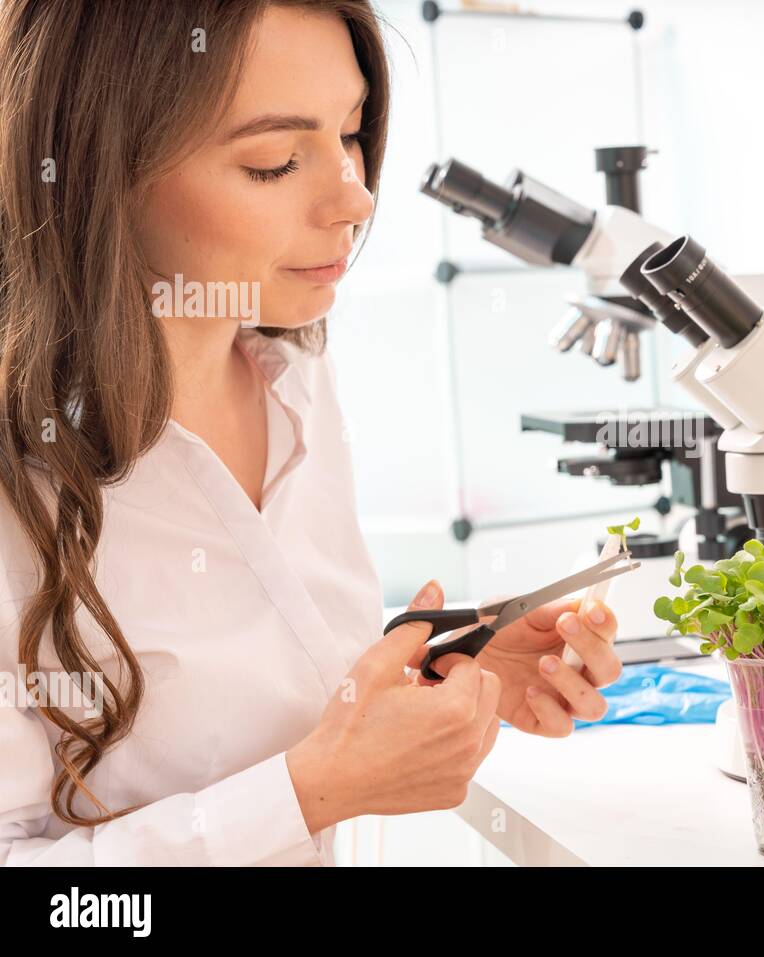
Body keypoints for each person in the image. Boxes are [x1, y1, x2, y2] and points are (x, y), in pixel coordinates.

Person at [0, 0, 621, 866]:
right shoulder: (18, 475)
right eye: (275, 161)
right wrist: (316, 787)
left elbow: (259, 683)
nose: (356, 198)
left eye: (353, 133)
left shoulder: (294, 372)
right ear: (100, 170)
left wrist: (447, 669)